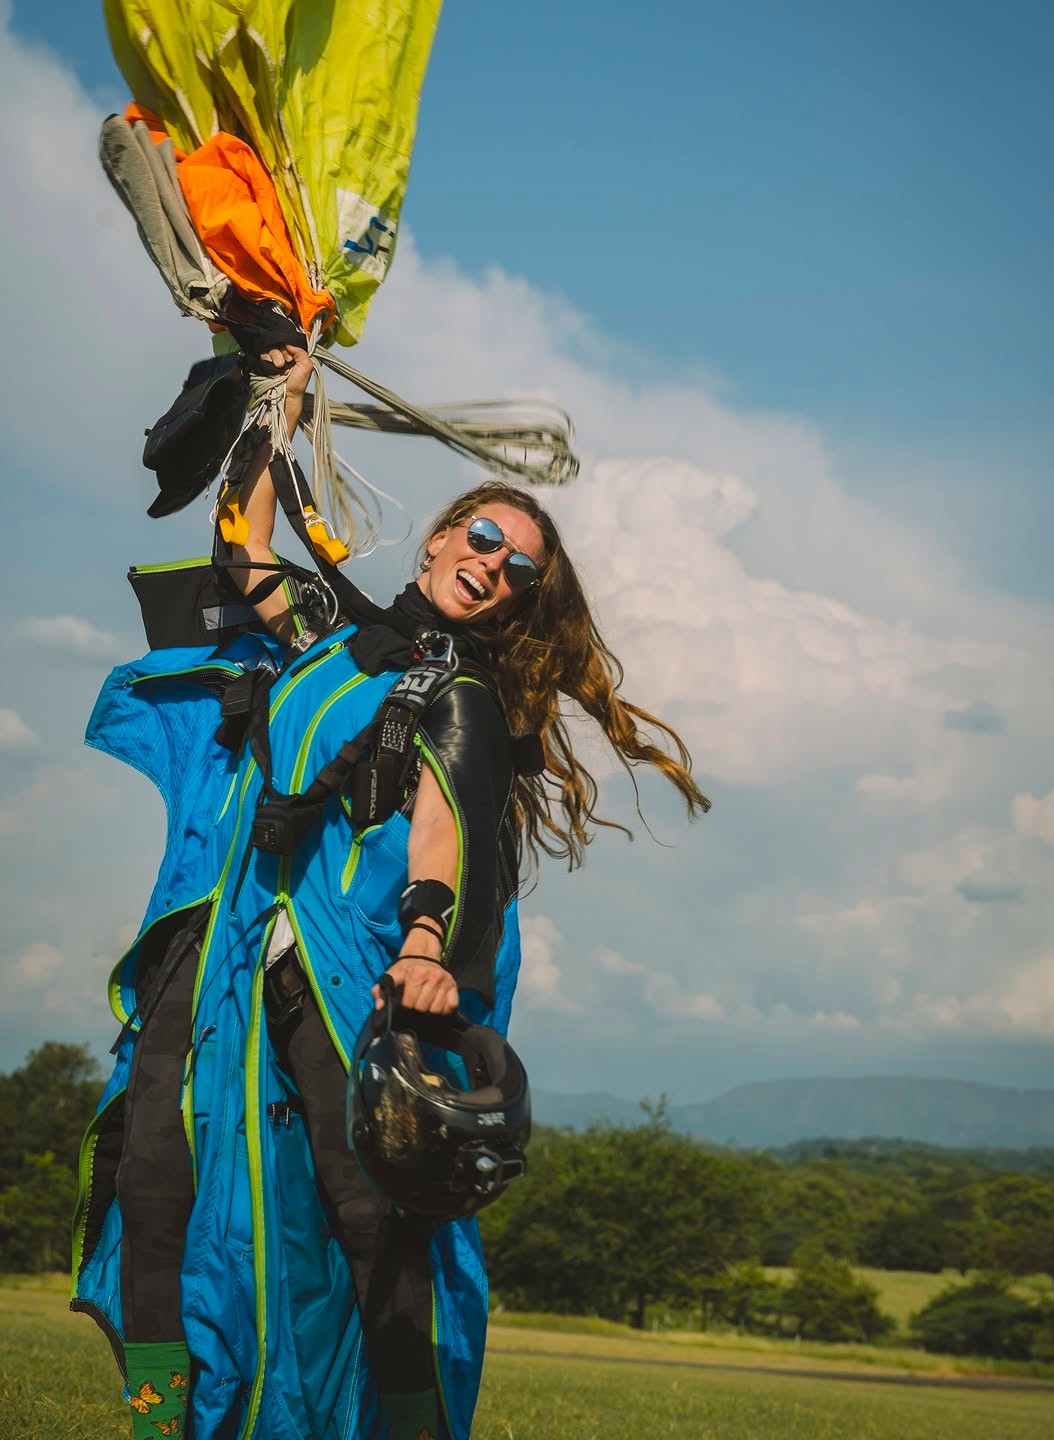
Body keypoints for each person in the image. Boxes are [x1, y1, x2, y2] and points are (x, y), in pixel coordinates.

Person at [72, 345, 710, 1440]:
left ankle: (403, 1425)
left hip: (340, 973)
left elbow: (442, 824)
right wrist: (280, 403)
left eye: (517, 569)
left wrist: (421, 941)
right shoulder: (331, 630)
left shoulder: (456, 692)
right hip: (221, 949)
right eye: (485, 538)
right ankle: (163, 1419)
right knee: (155, 1171)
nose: (494, 566)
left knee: (376, 1218)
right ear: (439, 535)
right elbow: (243, 543)